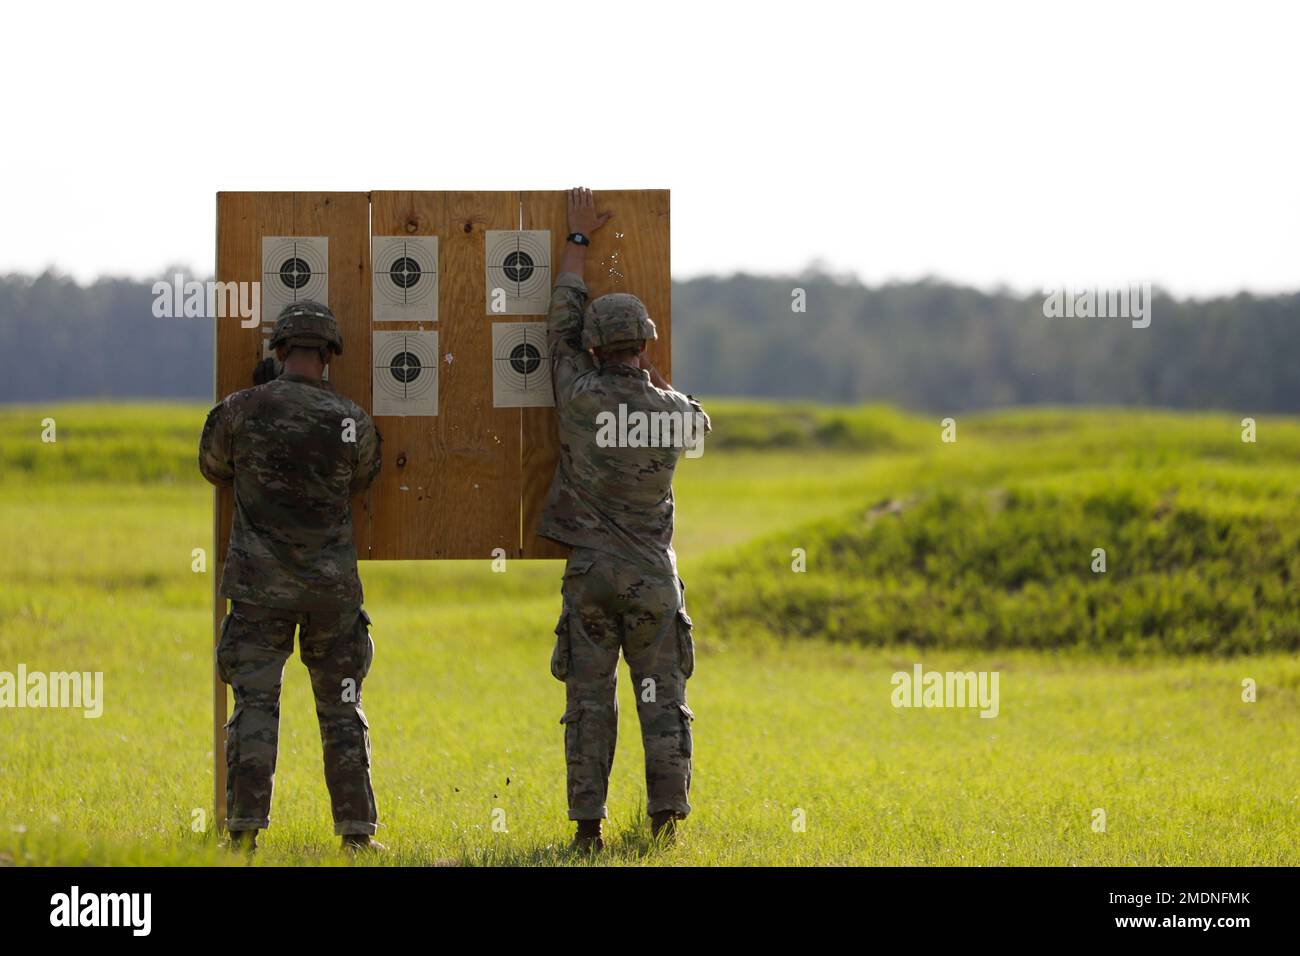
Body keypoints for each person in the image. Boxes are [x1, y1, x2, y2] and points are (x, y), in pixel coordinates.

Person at [540, 187, 711, 851]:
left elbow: (557, 328)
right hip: (652, 578)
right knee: (659, 698)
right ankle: (666, 819)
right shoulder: (675, 413)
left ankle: (587, 828)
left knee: (589, 704)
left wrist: (577, 243)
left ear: (594, 346)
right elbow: (698, 423)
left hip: (590, 573)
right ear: (644, 342)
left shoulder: (578, 395)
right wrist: (664, 390)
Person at [199, 301, 384, 853]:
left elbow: (214, 467)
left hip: (259, 589)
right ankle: (356, 836)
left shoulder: (239, 409)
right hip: (331, 593)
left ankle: (243, 834)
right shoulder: (352, 419)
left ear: (278, 351)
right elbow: (364, 476)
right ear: (328, 356)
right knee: (342, 706)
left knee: (254, 706)